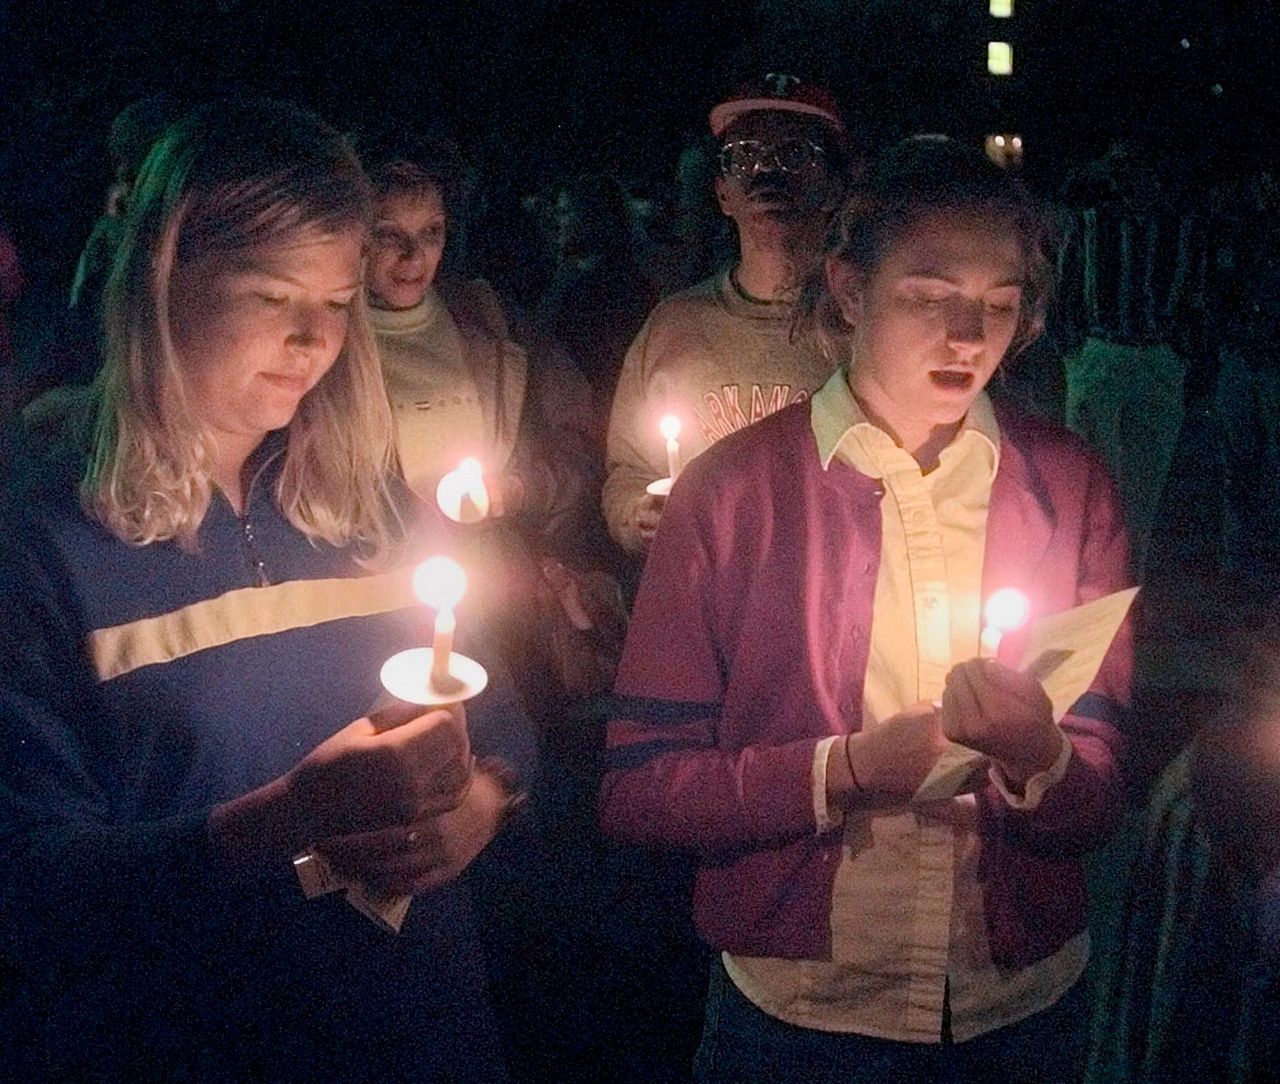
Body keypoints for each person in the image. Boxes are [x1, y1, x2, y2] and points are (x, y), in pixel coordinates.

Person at [0, 99, 532, 1082]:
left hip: (418, 1026)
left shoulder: (362, 502)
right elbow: (34, 884)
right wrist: (289, 816)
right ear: (163, 278)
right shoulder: (41, 540)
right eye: (270, 295)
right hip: (194, 1037)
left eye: (335, 303)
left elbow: (495, 713)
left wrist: (483, 803)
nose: (312, 341)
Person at [600, 138, 1132, 1083]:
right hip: (802, 1017)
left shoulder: (1072, 489)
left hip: (1019, 1011)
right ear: (848, 290)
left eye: (1001, 306)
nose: (970, 337)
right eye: (930, 297)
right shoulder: (733, 493)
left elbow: (1097, 798)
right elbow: (641, 787)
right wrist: (842, 771)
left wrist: (1038, 757)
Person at [602, 73, 850, 556]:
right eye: (744, 155)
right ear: (721, 192)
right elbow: (628, 473)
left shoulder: (867, 332)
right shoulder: (674, 327)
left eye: (795, 154)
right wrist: (638, 516)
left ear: (836, 184)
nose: (766, 173)